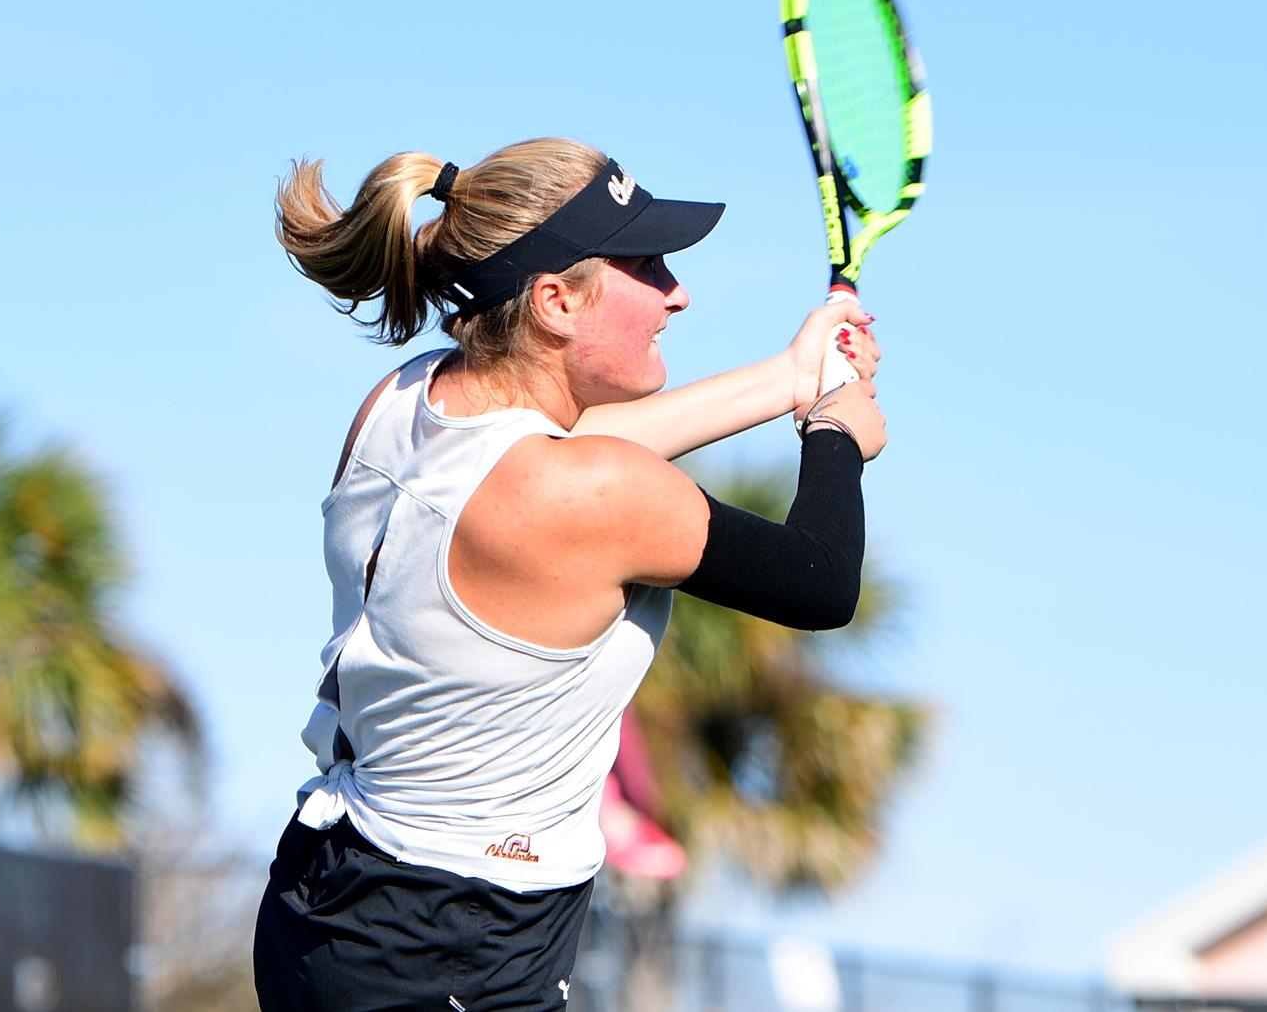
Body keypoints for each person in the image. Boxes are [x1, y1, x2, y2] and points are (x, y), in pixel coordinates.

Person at [251, 138, 884, 1011]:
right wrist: (836, 434)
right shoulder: (588, 494)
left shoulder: (404, 400)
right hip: (455, 947)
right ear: (555, 301)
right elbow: (821, 580)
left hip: (326, 895)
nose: (678, 292)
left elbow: (566, 459)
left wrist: (790, 377)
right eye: (647, 266)